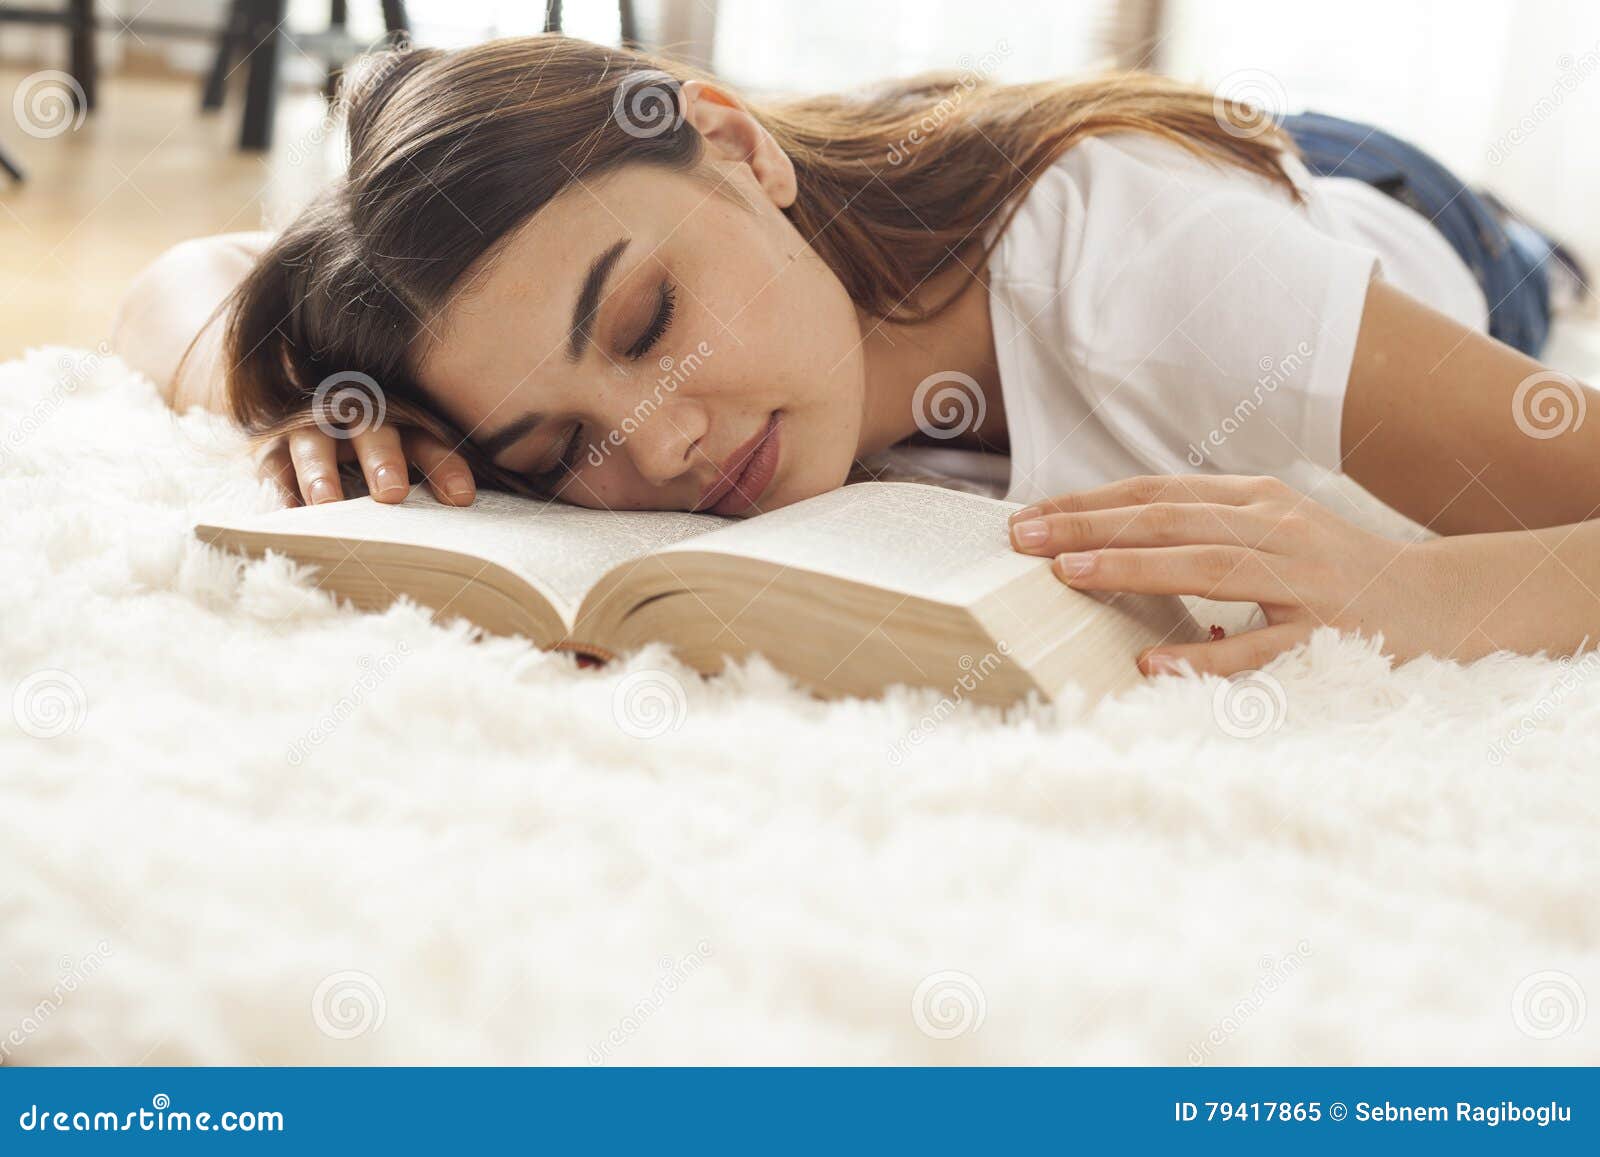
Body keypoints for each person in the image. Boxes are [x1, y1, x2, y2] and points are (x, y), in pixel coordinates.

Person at [113, 35, 1600, 678]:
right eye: (555, 448)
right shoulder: (687, 263)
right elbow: (175, 286)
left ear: (735, 149)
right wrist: (306, 400)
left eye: (644, 325)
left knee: (1517, 272)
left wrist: (1416, 594)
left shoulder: (1164, 280)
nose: (658, 443)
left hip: (1385, 205)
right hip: (889, 184)